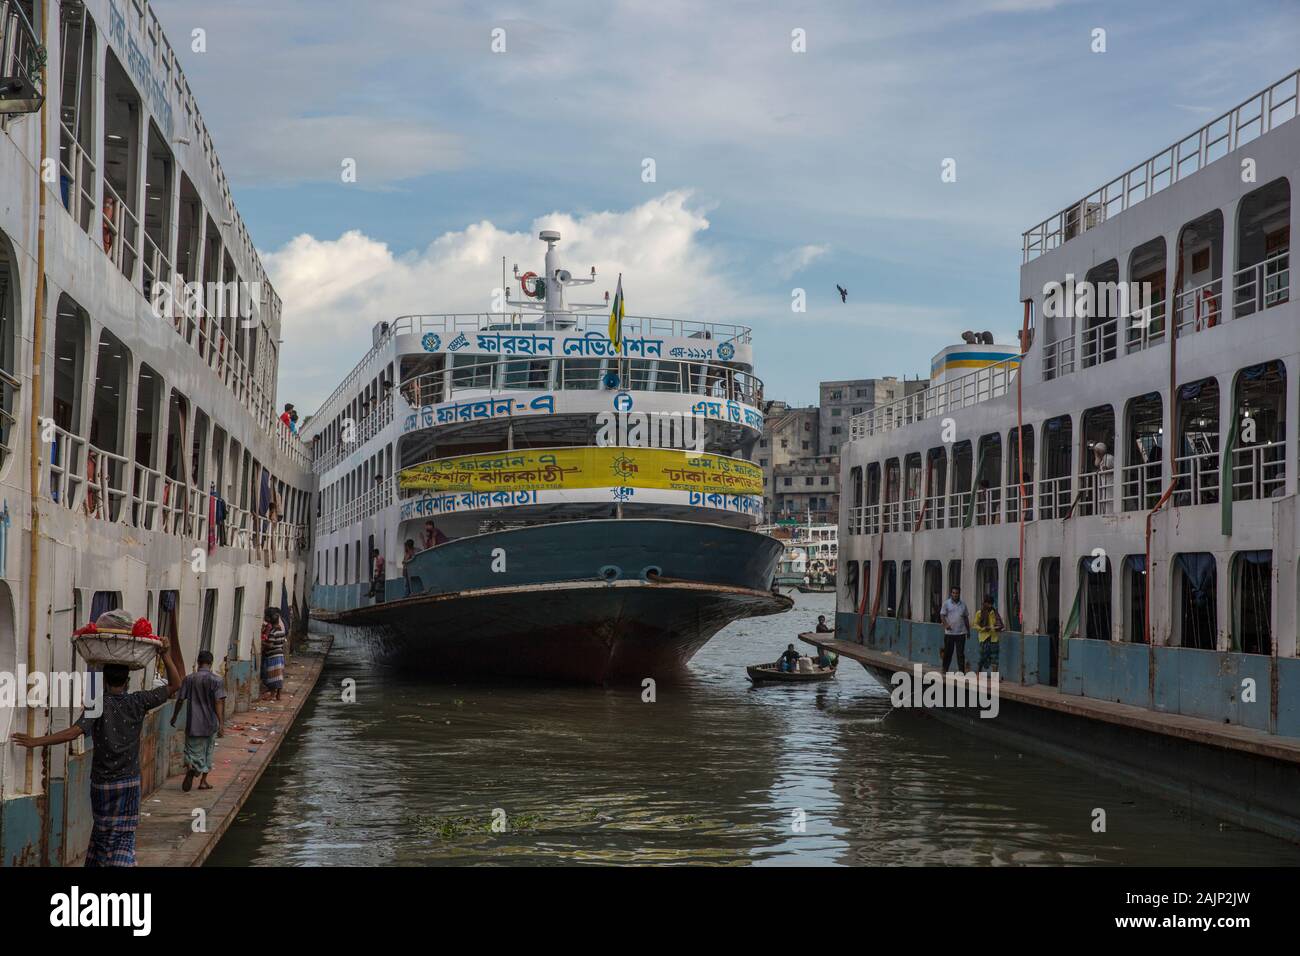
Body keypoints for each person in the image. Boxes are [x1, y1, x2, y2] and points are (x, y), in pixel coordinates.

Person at [14, 636, 182, 867]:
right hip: (128, 782)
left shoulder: (97, 705)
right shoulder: (139, 701)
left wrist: (36, 741)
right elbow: (176, 685)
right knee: (123, 836)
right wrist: (165, 654)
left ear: (104, 680)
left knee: (103, 834)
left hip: (101, 783)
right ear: (127, 679)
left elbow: (73, 733)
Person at [171, 649, 226, 792]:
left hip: (193, 722)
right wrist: (221, 723)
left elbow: (180, 699)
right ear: (211, 663)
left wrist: (175, 716)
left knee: (191, 750)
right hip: (210, 723)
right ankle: (203, 781)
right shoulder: (217, 680)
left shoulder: (189, 679)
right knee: (208, 751)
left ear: (198, 662)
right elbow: (218, 702)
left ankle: (190, 766)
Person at [939, 586, 970, 673]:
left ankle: (961, 671)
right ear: (951, 593)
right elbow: (942, 615)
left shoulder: (963, 605)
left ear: (959, 594)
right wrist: (946, 625)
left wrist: (968, 631)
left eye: (957, 593)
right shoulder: (946, 604)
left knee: (960, 654)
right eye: (953, 593)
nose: (955, 595)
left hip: (961, 633)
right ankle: (945, 669)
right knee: (948, 653)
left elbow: (966, 618)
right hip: (949, 633)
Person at [261, 608, 287, 701]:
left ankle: (272, 694)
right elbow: (282, 642)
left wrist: (262, 643)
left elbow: (270, 644)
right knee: (279, 676)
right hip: (280, 655)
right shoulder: (281, 631)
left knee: (272, 676)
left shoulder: (273, 632)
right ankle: (278, 695)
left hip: (272, 657)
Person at [974, 596, 1005, 675]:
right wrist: (983, 629)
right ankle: (978, 674)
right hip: (984, 638)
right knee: (982, 657)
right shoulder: (979, 613)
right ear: (984, 603)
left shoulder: (995, 613)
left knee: (995, 658)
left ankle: (994, 677)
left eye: (990, 604)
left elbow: (999, 625)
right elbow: (975, 625)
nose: (989, 606)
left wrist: (997, 628)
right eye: (987, 604)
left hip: (994, 638)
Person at [1093, 441, 1115, 513]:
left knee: (1111, 503)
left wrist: (1108, 470)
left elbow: (1116, 468)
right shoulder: (1102, 461)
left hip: (1111, 486)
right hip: (1105, 487)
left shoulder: (1109, 458)